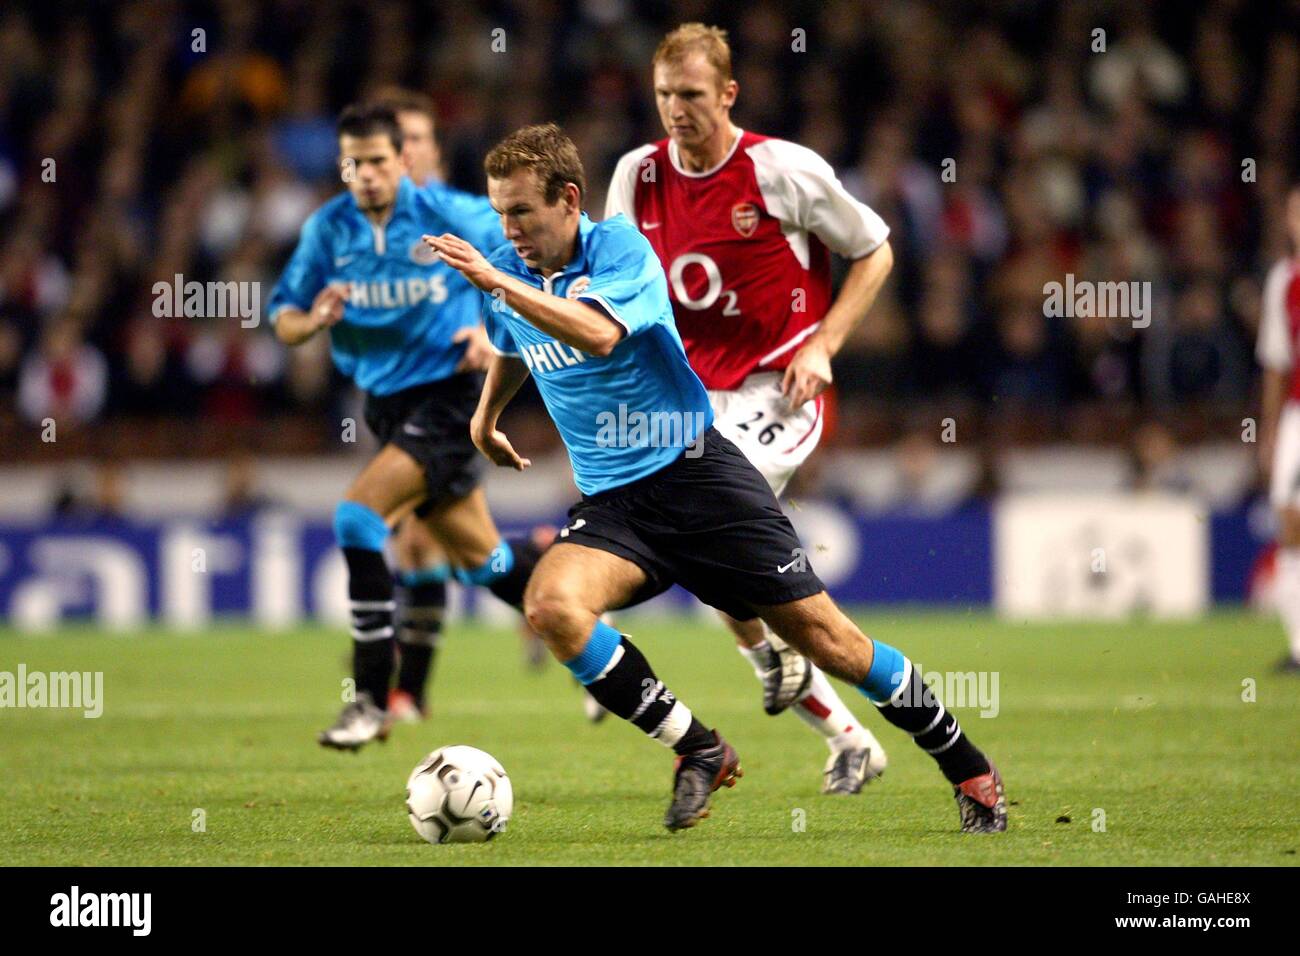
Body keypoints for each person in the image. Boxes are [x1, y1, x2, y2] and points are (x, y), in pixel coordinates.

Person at [427, 122, 1007, 833]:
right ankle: (699, 748)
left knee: (832, 643)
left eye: (521, 211)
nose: (507, 228)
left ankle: (969, 768)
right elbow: (510, 342)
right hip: (615, 505)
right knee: (551, 607)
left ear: (569, 199)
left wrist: (496, 283)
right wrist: (487, 417)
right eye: (499, 211)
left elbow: (598, 333)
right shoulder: (506, 271)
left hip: (699, 479)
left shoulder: (621, 251)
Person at [605, 23, 894, 794]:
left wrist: (824, 342)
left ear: (728, 93)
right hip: (690, 398)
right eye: (664, 94)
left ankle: (772, 656)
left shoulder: (782, 170)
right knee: (716, 565)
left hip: (777, 387)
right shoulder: (637, 176)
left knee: (703, 526)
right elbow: (621, 288)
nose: (676, 109)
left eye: (692, 95)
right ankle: (847, 735)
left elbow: (875, 249)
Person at [268, 103, 544, 750]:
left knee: (358, 518)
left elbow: (524, 256)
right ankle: (572, 599)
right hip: (387, 407)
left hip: (449, 398)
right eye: (353, 163)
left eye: (377, 162)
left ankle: (371, 698)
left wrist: (488, 327)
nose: (365, 174)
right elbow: (282, 314)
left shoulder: (445, 214)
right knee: (484, 562)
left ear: (404, 162)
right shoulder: (327, 230)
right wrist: (310, 322)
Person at [1255, 184, 1300, 673]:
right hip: (1296, 413)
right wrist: (1268, 431)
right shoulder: (1282, 281)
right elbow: (1275, 362)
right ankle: (1299, 645)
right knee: (1289, 523)